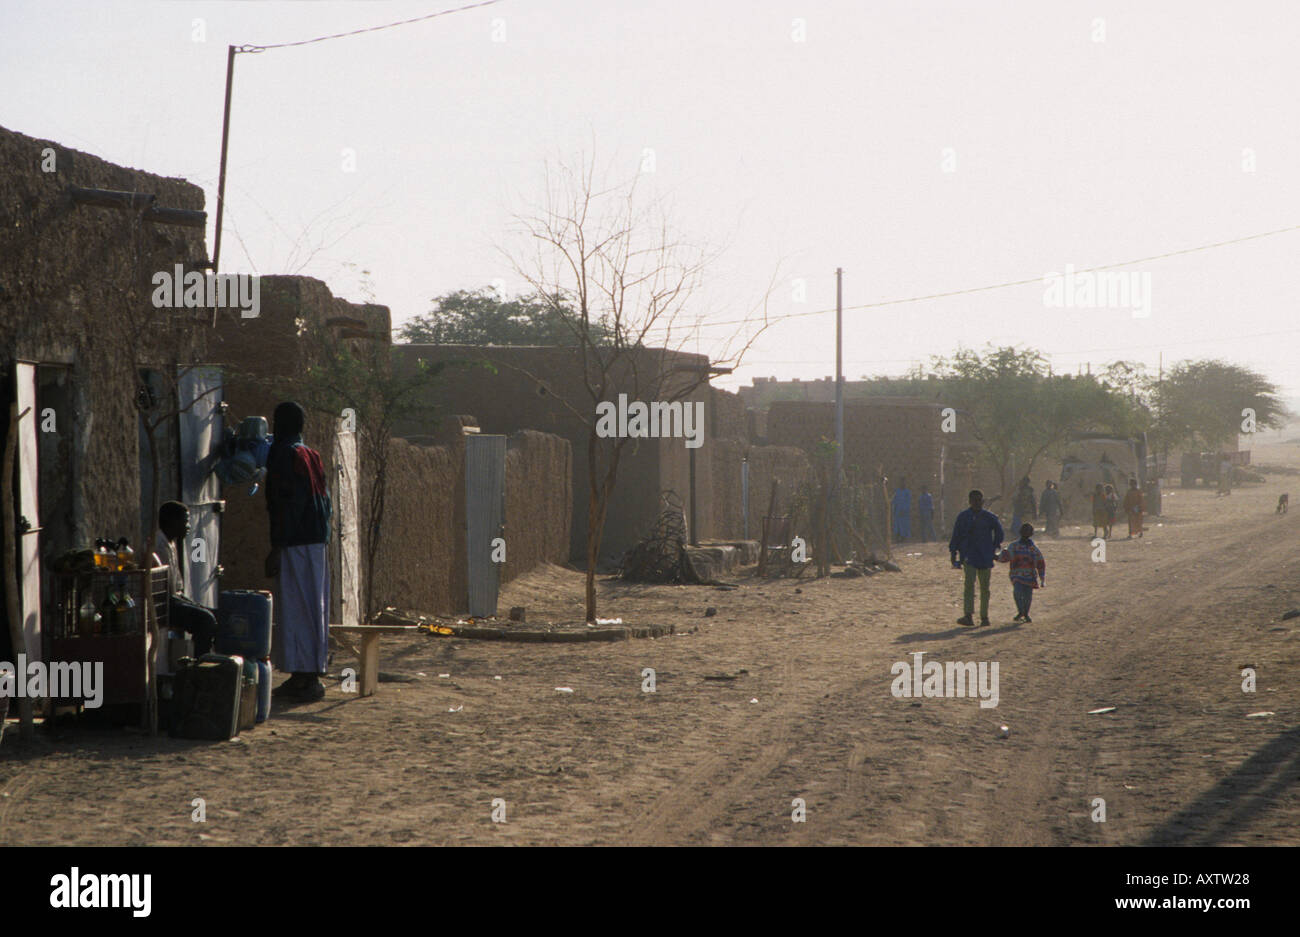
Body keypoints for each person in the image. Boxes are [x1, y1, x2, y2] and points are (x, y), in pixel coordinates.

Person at [265, 401, 332, 702]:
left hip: (297, 543)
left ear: (280, 425)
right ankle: (307, 673)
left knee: (296, 609)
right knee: (312, 608)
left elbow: (287, 505)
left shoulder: (286, 455)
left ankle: (304, 677)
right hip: (316, 542)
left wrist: (277, 547)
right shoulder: (311, 454)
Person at [152, 501, 216, 657]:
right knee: (206, 620)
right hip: (162, 606)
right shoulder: (159, 546)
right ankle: (199, 666)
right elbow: (166, 594)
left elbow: (177, 589)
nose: (188, 526)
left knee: (215, 615)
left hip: (173, 600)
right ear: (173, 522)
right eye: (185, 521)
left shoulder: (170, 543)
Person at [949, 489, 1004, 627]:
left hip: (985, 556)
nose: (977, 503)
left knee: (985, 588)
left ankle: (984, 617)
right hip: (969, 555)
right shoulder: (963, 517)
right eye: (974, 500)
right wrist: (953, 553)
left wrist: (994, 546)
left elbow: (999, 532)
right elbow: (956, 535)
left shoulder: (989, 517)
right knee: (969, 586)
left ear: (982, 501)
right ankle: (968, 616)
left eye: (979, 500)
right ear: (970, 501)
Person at [996, 523, 1046, 623]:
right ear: (1020, 532)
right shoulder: (1013, 546)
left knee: (1028, 596)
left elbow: (1040, 563)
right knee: (1017, 593)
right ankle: (1021, 611)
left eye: (1028, 531)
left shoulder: (1033, 549)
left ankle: (1025, 613)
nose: (1026, 533)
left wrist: (1042, 577)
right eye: (1024, 531)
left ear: (1031, 533)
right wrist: (995, 557)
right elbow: (1005, 556)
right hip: (1016, 575)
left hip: (1030, 576)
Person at [891, 478, 912, 543]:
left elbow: (908, 502)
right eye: (901, 483)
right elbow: (894, 501)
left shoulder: (907, 492)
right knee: (897, 525)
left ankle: (904, 538)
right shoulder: (897, 492)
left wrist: (904, 510)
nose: (902, 484)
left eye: (903, 483)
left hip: (904, 512)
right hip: (897, 511)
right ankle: (898, 538)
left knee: (904, 525)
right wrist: (894, 509)